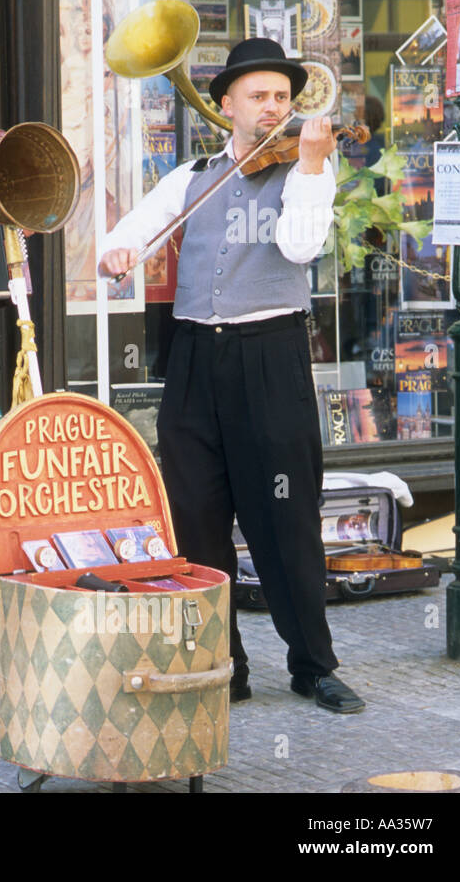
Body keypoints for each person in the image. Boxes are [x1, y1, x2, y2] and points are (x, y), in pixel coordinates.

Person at [97, 38, 364, 714]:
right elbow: (130, 232)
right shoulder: (191, 175)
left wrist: (308, 163)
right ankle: (222, 664)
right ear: (226, 107)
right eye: (260, 96)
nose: (274, 106)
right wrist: (119, 252)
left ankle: (312, 664)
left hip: (269, 357)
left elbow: (301, 245)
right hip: (193, 359)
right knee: (197, 518)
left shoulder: (307, 170)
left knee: (285, 518)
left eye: (283, 96)